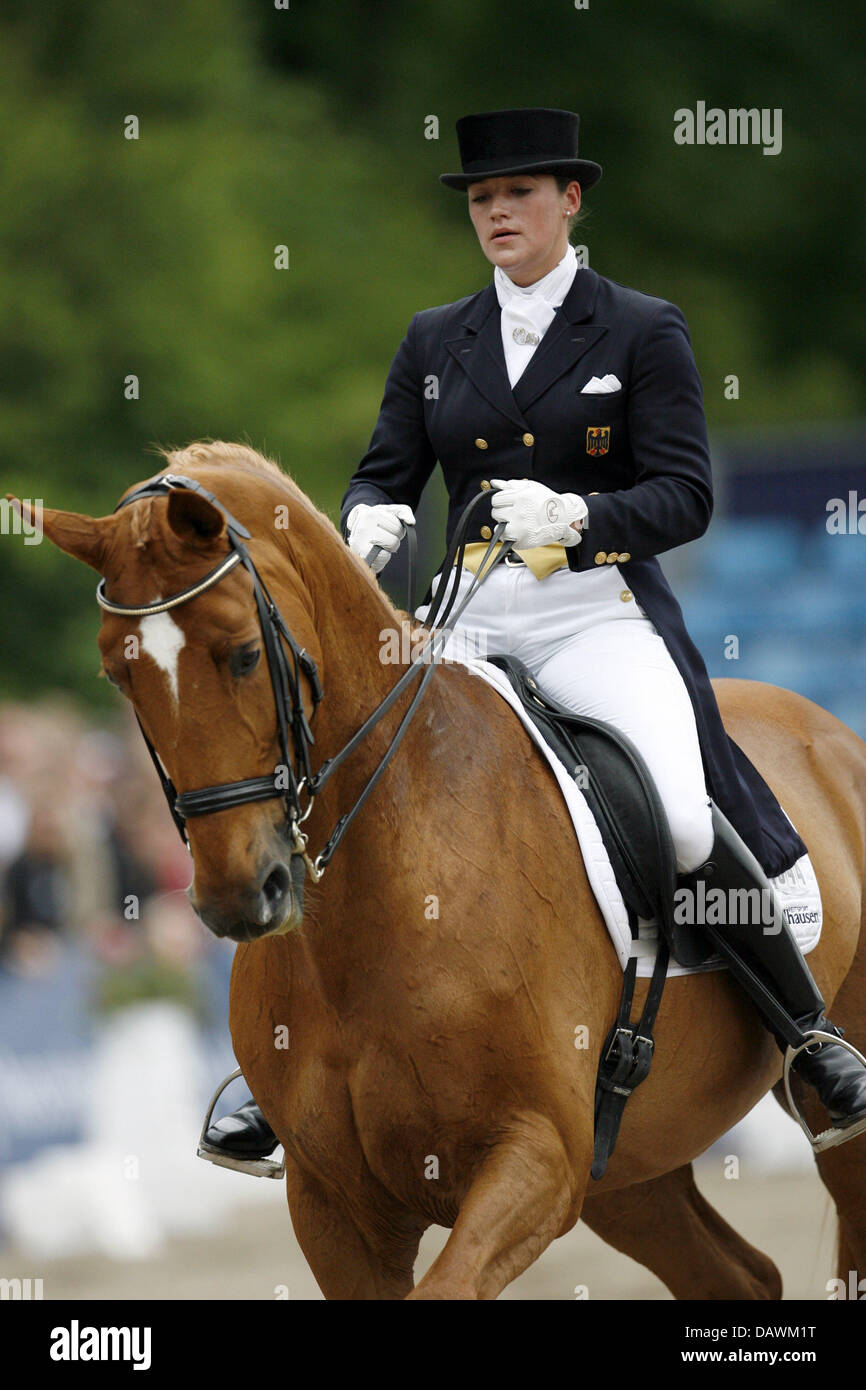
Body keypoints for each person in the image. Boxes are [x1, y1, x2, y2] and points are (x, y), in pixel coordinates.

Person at [203, 107, 866, 1167]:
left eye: (515, 194)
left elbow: (686, 494)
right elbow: (386, 467)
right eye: (479, 199)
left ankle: (807, 1036)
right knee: (350, 786)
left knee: (681, 816)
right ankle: (281, 1069)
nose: (495, 213)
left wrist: (581, 518)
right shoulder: (434, 337)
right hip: (467, 616)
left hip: (591, 609)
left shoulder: (640, 328)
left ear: (567, 201)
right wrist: (370, 512)